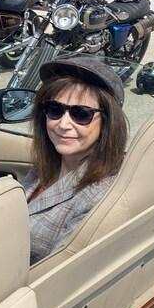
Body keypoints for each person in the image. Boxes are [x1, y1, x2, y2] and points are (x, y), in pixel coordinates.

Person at [21, 56, 128, 264]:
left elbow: (55, 271)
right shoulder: (50, 164)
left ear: (107, 123)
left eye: (81, 114)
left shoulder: (97, 196)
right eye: (55, 109)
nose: (63, 124)